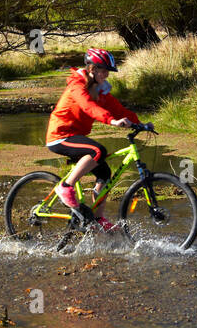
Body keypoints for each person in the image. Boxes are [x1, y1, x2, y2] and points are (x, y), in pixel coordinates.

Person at [46, 48, 139, 230]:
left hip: (75, 136)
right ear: (92, 69)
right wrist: (111, 121)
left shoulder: (100, 90)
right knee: (98, 151)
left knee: (104, 174)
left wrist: (140, 123)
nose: (106, 74)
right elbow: (88, 106)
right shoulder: (77, 84)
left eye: (107, 71)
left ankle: (97, 219)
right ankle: (65, 186)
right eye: (103, 70)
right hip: (60, 136)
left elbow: (118, 109)